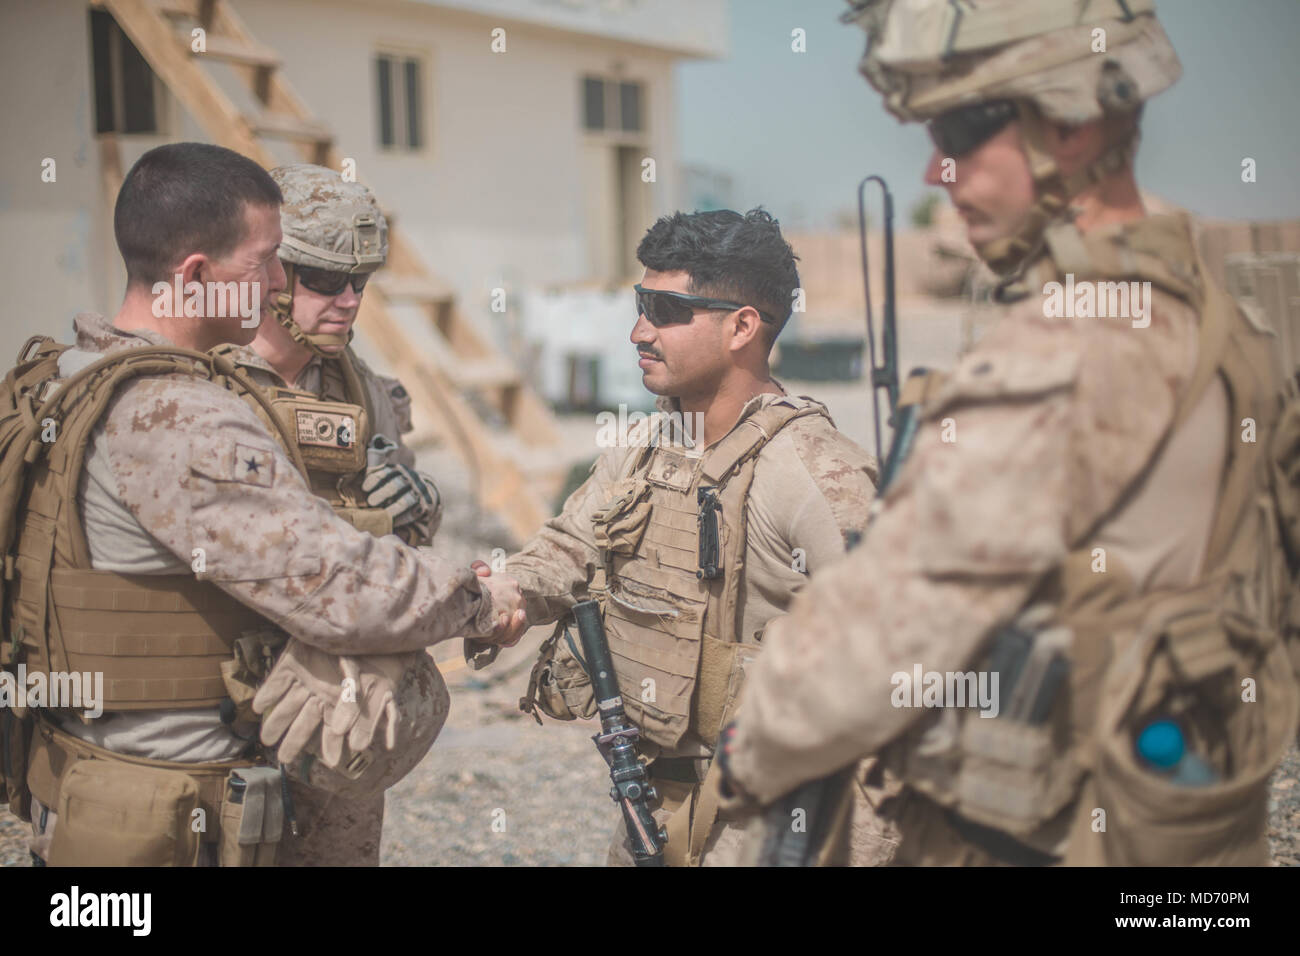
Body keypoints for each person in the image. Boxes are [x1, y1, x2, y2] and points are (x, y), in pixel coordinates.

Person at [718, 0, 1300, 866]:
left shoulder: (1059, 355)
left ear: (1068, 124)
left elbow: (884, 641)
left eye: (960, 127)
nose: (935, 173)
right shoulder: (1219, 323)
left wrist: (750, 748)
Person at [4, 142, 526, 867]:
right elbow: (341, 587)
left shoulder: (62, 377)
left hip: (97, 781)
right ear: (195, 276)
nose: (280, 282)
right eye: (269, 263)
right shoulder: (179, 416)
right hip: (176, 804)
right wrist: (480, 601)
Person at [468, 208, 890, 865]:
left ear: (742, 326)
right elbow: (572, 549)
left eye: (666, 309)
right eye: (641, 304)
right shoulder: (648, 445)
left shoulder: (813, 471)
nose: (639, 330)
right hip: (656, 814)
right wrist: (497, 594)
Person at [211, 163, 442, 865]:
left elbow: (399, 527)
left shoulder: (360, 388)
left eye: (360, 283)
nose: (347, 301)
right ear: (274, 274)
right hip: (216, 698)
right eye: (323, 280)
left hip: (333, 704)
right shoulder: (200, 377)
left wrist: (418, 504)